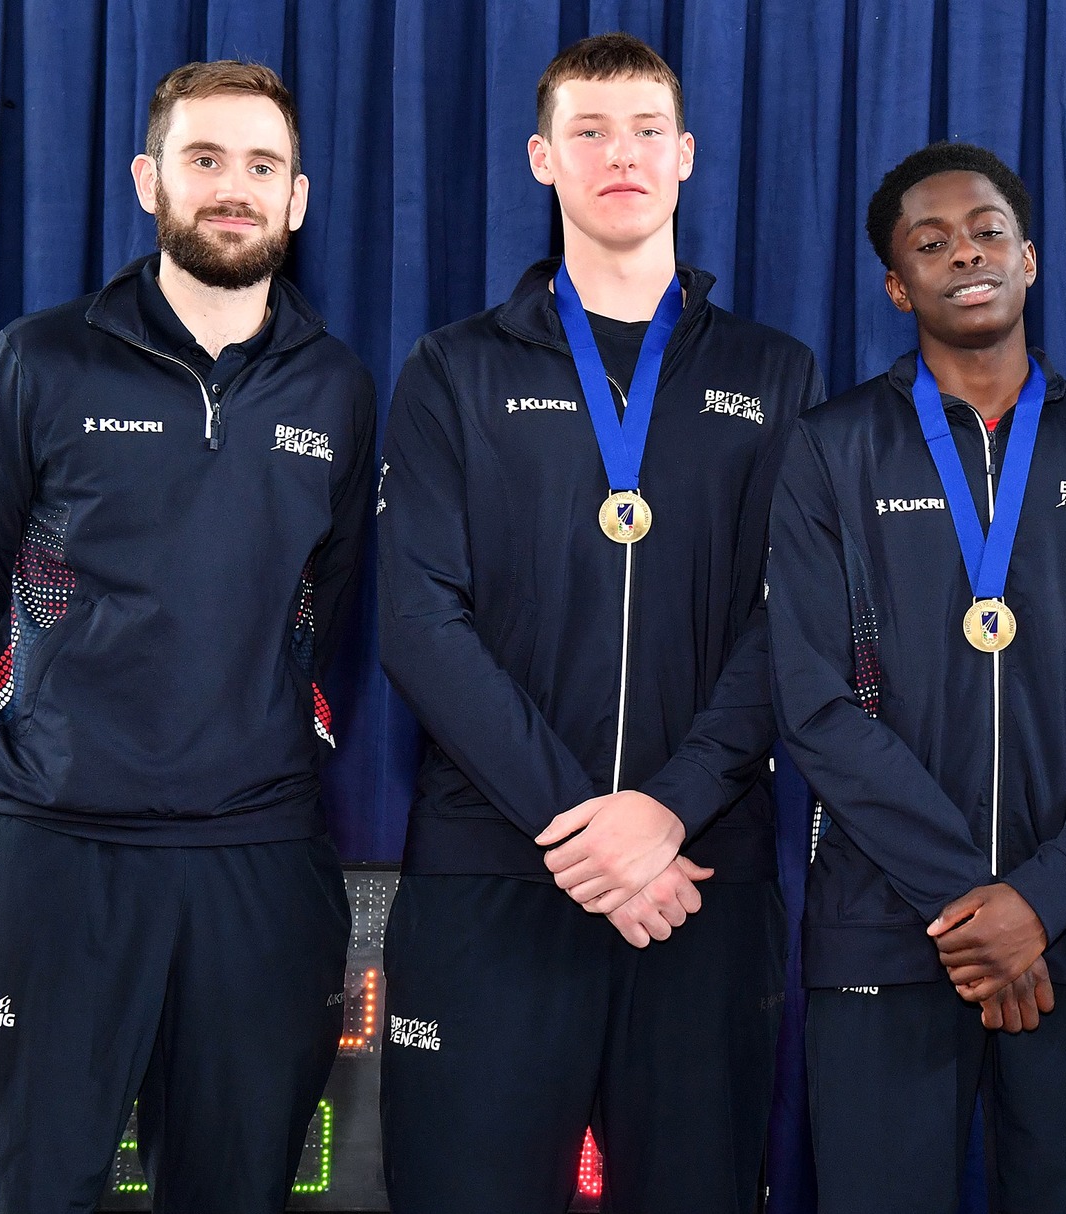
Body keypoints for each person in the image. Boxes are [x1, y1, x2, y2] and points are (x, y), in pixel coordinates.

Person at [375, 31, 822, 1214]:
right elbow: (418, 620)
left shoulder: (775, 374)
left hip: (698, 881)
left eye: (643, 131)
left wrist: (665, 813)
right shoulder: (453, 370)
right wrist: (587, 831)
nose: (619, 154)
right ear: (541, 158)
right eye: (588, 131)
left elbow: (795, 624)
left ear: (685, 155)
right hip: (494, 873)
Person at [0, 60, 375, 1212]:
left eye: (261, 165)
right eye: (203, 158)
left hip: (256, 857)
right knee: (13, 1189)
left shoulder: (334, 387)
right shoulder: (39, 359)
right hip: (54, 851)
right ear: (148, 179)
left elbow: (331, 605)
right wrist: (45, 740)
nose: (233, 187)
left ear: (297, 198)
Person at [769, 140, 1066, 1214]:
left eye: (987, 232)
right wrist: (978, 911)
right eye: (931, 242)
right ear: (895, 284)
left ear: (1029, 259)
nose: (964, 253)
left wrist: (1043, 899)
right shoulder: (831, 449)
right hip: (884, 927)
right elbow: (813, 702)